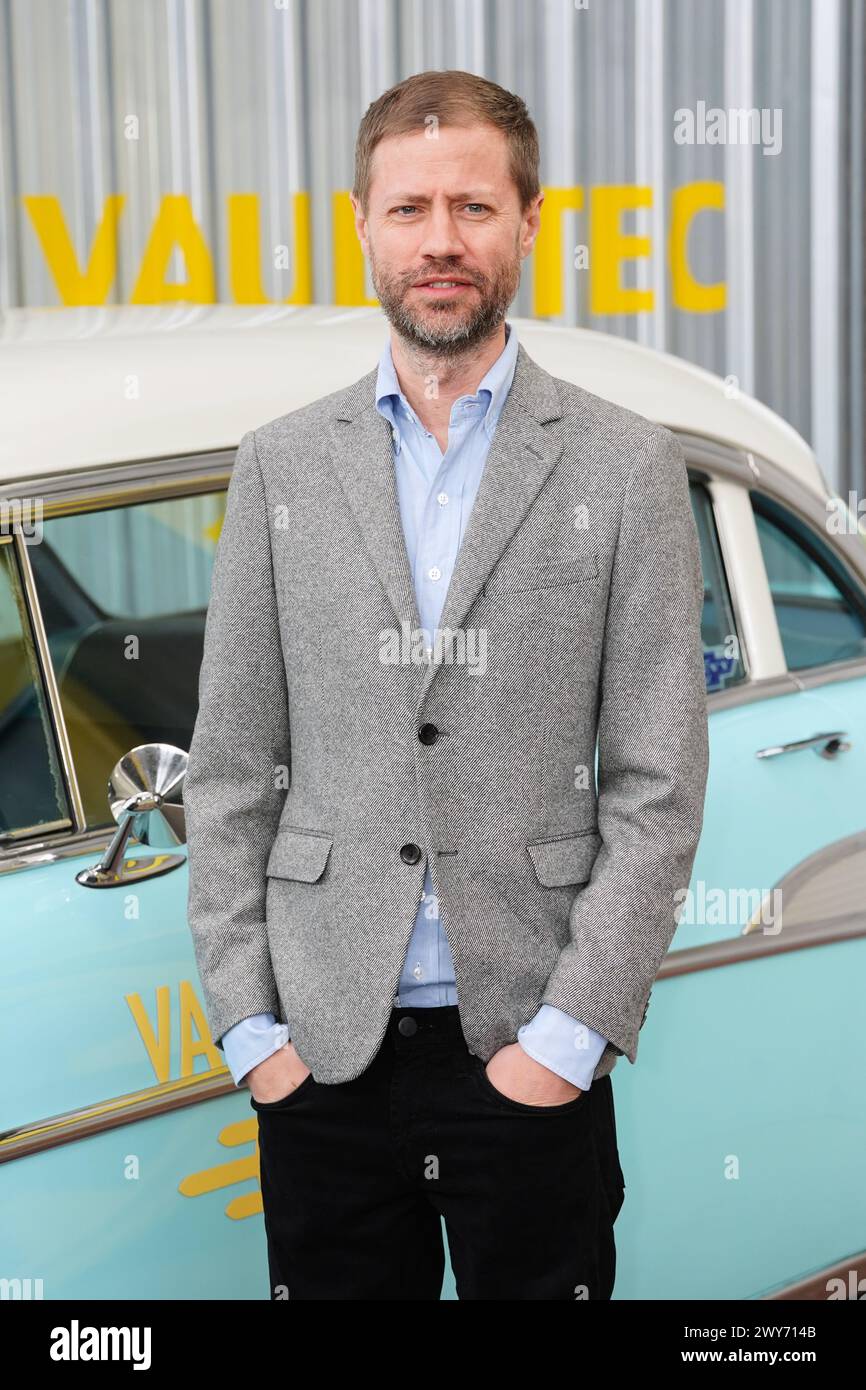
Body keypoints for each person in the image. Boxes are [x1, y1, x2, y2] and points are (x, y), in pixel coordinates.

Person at [184, 68, 709, 1300]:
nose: (440, 241)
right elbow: (228, 769)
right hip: (323, 1056)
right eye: (409, 208)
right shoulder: (277, 470)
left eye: (472, 208)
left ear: (528, 223)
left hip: (525, 1045)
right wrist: (254, 1036)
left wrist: (569, 1038)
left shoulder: (627, 469)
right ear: (360, 227)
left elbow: (656, 782)